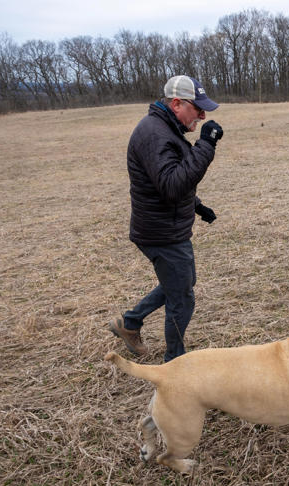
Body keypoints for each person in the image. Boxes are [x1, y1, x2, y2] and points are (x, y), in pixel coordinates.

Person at [109, 75, 223, 362]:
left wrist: (197, 206)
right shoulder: (155, 134)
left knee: (181, 283)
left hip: (164, 226)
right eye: (196, 108)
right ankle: (175, 362)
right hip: (162, 233)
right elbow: (172, 185)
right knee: (182, 297)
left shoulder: (163, 130)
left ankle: (130, 323)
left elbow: (165, 181)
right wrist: (205, 146)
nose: (202, 114)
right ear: (176, 104)